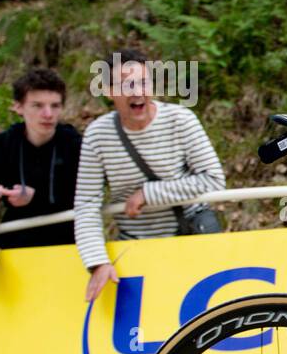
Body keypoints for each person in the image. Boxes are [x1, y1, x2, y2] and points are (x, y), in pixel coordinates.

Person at [74, 50, 226, 302]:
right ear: (109, 91)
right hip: (135, 245)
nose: (137, 91)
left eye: (143, 82)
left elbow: (213, 178)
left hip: (190, 234)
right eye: (125, 85)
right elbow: (86, 203)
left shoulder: (180, 119)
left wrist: (149, 194)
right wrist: (97, 262)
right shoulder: (97, 135)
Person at [0, 67, 82, 283]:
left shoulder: (74, 145)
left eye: (55, 106)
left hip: (67, 249)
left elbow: (86, 196)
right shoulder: (2, 146)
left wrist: (34, 197)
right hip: (16, 250)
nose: (48, 114)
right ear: (18, 107)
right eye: (37, 106)